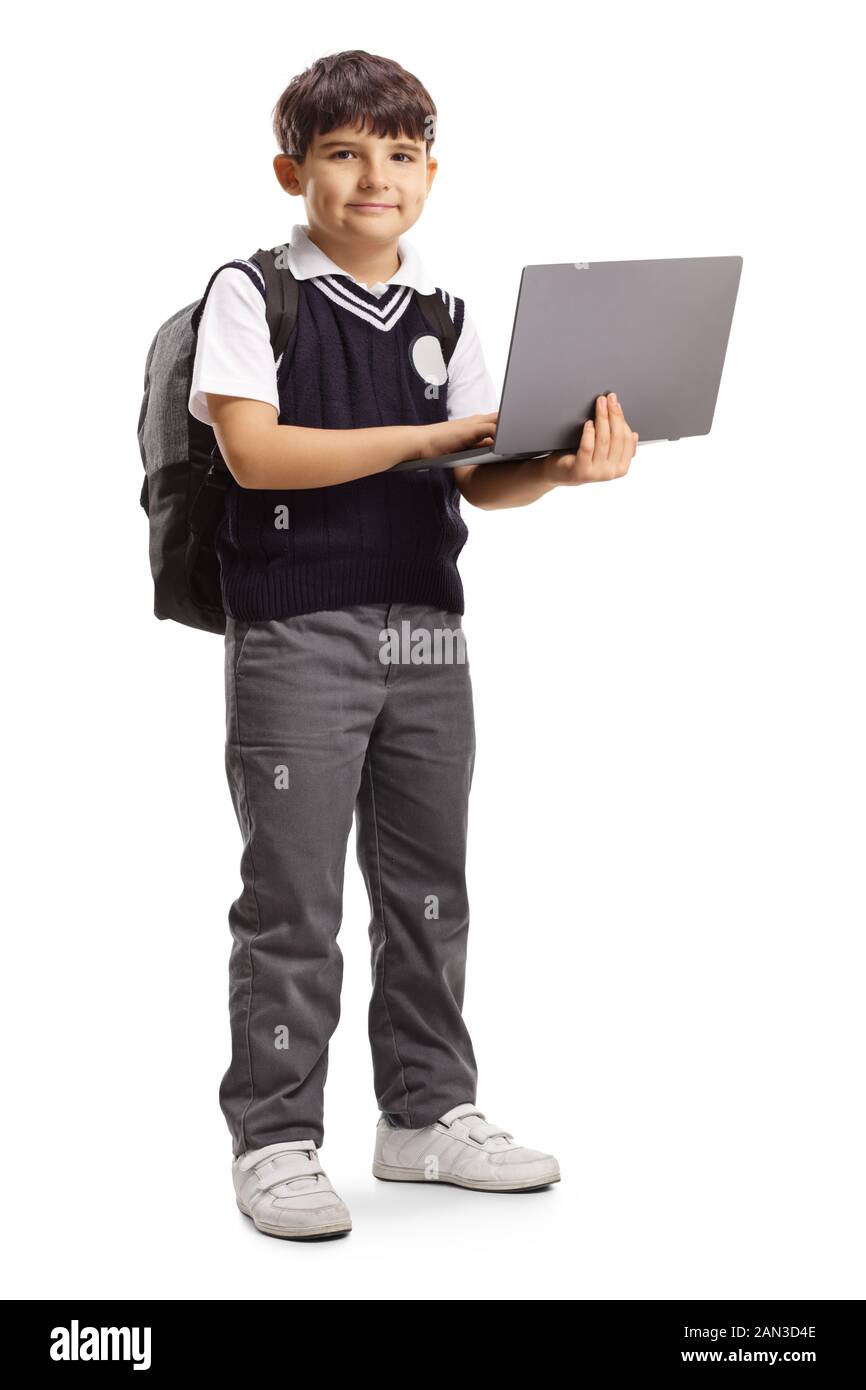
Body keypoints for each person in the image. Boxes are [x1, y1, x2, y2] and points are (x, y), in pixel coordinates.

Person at [189, 48, 638, 1240]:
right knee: (292, 897)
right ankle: (276, 1138)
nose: (372, 176)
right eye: (342, 153)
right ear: (293, 170)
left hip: (428, 630)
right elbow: (257, 454)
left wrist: (554, 464)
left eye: (397, 154)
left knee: (429, 891)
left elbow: (478, 480)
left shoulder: (446, 312)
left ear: (430, 173)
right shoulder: (254, 292)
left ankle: (424, 1115)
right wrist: (425, 436)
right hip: (295, 629)